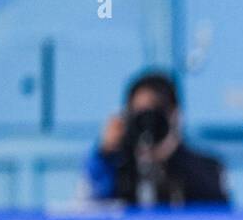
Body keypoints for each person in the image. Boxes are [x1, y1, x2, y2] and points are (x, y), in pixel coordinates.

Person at [83, 70, 230, 207]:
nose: (148, 124)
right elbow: (91, 206)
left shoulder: (208, 168)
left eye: (155, 113)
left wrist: (171, 156)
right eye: (140, 115)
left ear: (175, 115)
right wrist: (105, 153)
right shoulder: (118, 167)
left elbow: (218, 214)